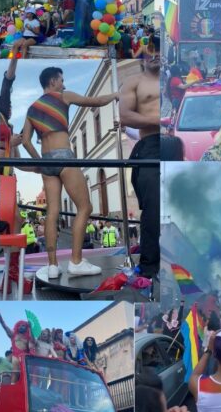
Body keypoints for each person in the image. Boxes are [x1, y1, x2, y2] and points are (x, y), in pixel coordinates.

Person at [20, 66, 118, 278]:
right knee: (85, 206)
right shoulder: (64, 96)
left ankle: (53, 266)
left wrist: (41, 162)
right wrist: (115, 95)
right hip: (64, 155)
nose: (64, 84)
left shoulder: (32, 108)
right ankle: (76, 261)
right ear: (53, 81)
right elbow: (97, 101)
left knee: (52, 213)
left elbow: (26, 141)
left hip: (46, 160)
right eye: (61, 80)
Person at [121, 43, 161, 278]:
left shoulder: (179, 77)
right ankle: (149, 269)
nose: (155, 54)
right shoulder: (133, 82)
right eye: (150, 50)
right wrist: (159, 120)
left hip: (181, 141)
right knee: (153, 207)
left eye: (159, 50)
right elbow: (125, 116)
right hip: (151, 144)